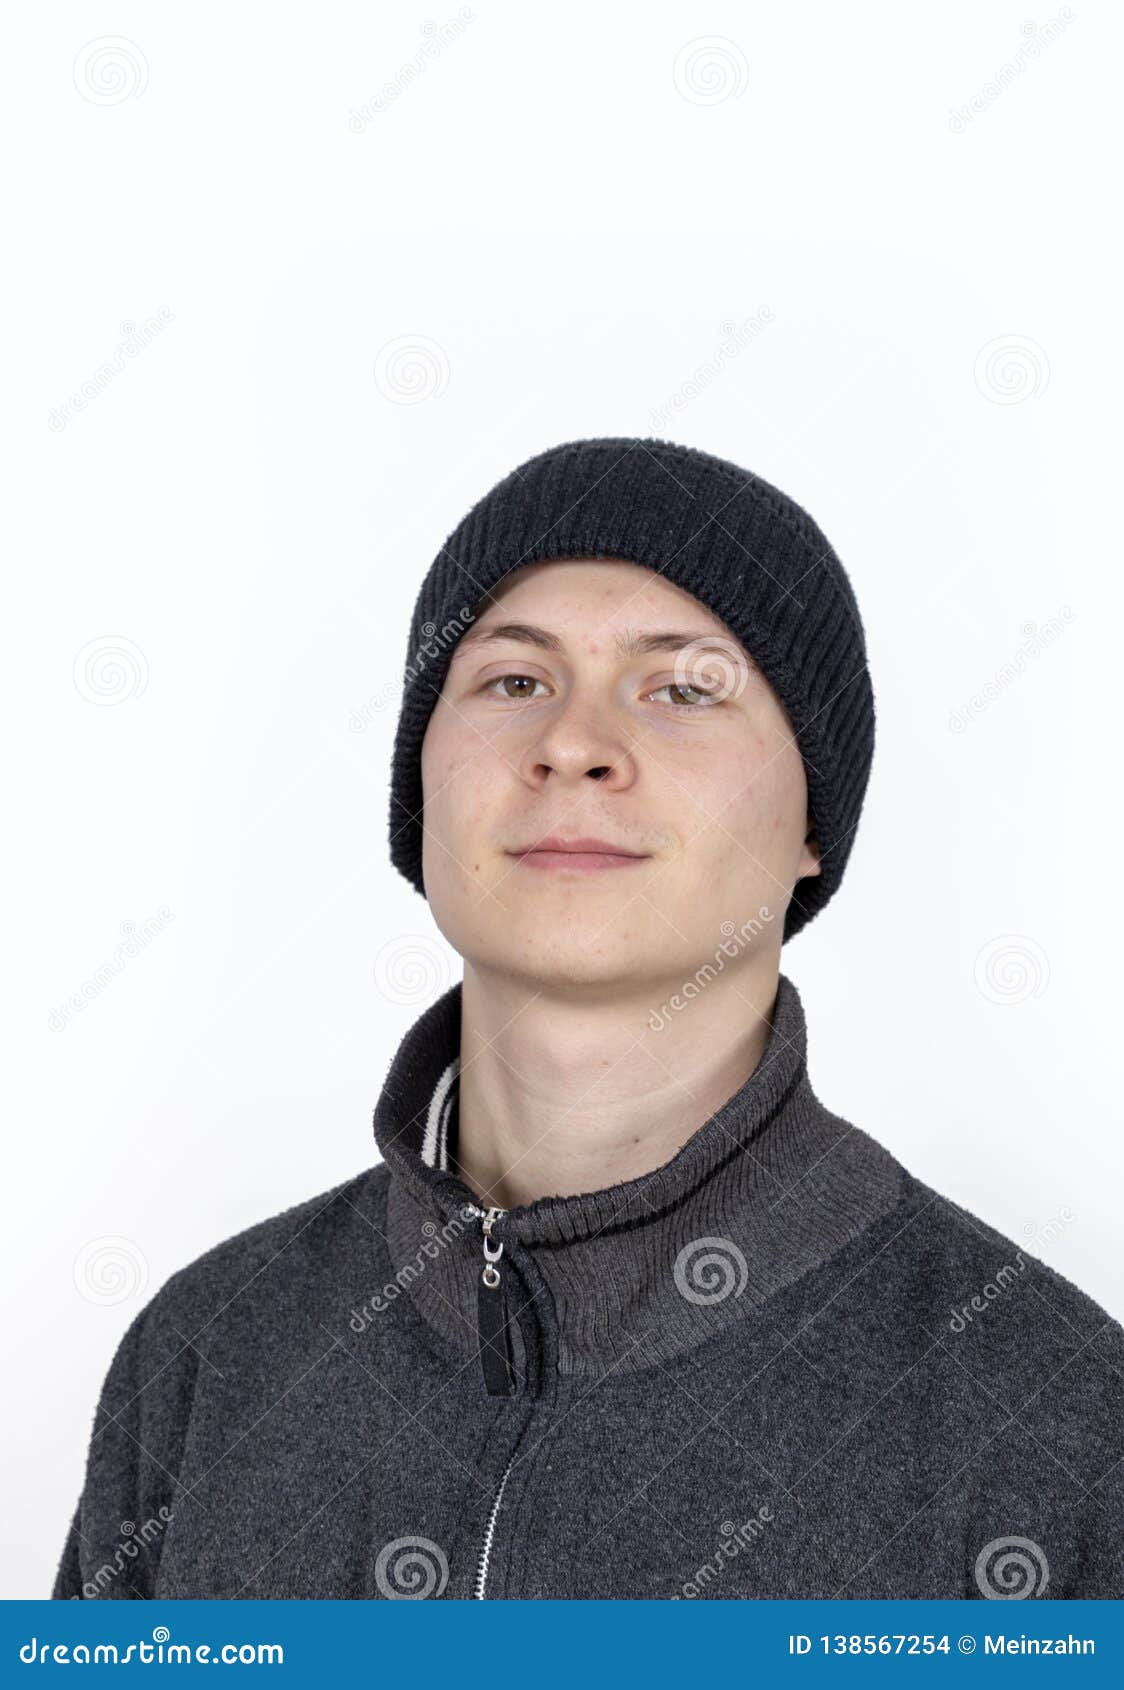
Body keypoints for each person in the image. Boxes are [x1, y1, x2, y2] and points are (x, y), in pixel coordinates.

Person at [54, 438, 1123, 1601]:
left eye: (683, 689)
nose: (571, 743)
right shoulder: (208, 1355)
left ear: (812, 821)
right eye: (514, 681)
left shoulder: (1056, 1415)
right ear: (421, 786)